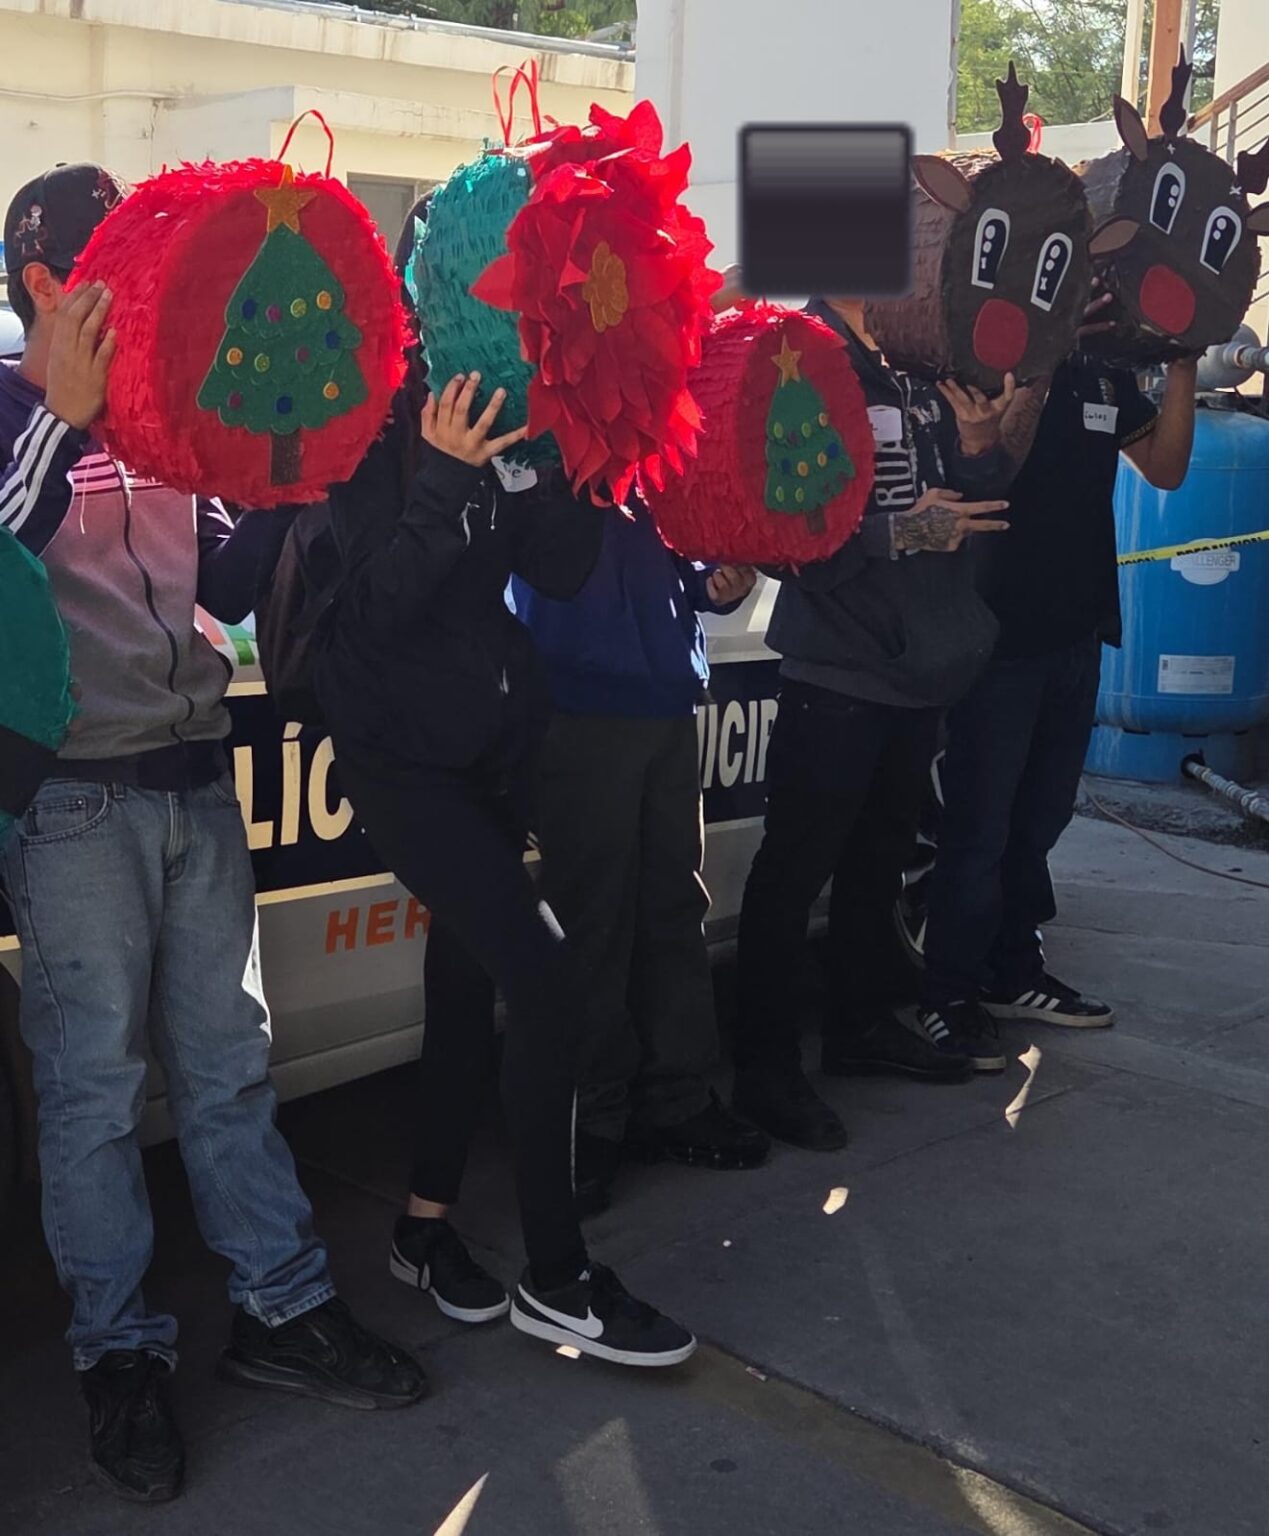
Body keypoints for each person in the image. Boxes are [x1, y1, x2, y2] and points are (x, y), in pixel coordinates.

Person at [0, 164, 426, 1507]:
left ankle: (281, 1312)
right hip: (70, 794)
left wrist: (293, 461)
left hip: (194, 772)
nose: (141, 298)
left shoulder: (174, 405)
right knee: (88, 1096)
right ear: (43, 287)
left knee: (230, 1064)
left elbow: (228, 583)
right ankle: (118, 1357)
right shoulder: (13, 402)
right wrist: (63, 428)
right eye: (108, 276)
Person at [315, 236, 696, 1365]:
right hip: (400, 762)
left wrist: (573, 449)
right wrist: (445, 474)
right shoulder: (368, 428)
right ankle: (560, 1277)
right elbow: (373, 614)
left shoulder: (511, 414)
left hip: (487, 755)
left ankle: (424, 1230)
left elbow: (566, 569)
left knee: (467, 978)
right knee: (546, 979)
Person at [731, 295, 1019, 1151]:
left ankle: (859, 1029)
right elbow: (783, 519)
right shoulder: (800, 356)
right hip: (837, 666)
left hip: (915, 665)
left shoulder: (920, 363)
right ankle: (764, 1069)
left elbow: (981, 506)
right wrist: (891, 537)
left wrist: (977, 445)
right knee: (793, 871)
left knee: (878, 861)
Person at [919, 288, 1198, 1046]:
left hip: (1077, 630)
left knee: (1038, 823)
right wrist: (1042, 356)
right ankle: (944, 993)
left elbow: (1166, 470)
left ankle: (1013, 971)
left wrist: (1182, 366)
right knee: (977, 830)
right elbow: (996, 465)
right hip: (996, 635)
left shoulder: (1107, 371)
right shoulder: (992, 356)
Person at [510, 499, 769, 1216]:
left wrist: (713, 580)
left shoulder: (658, 436)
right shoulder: (550, 424)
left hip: (667, 697)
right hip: (576, 703)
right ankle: (589, 1119)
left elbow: (678, 562)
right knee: (592, 921)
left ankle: (675, 1099)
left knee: (673, 908)